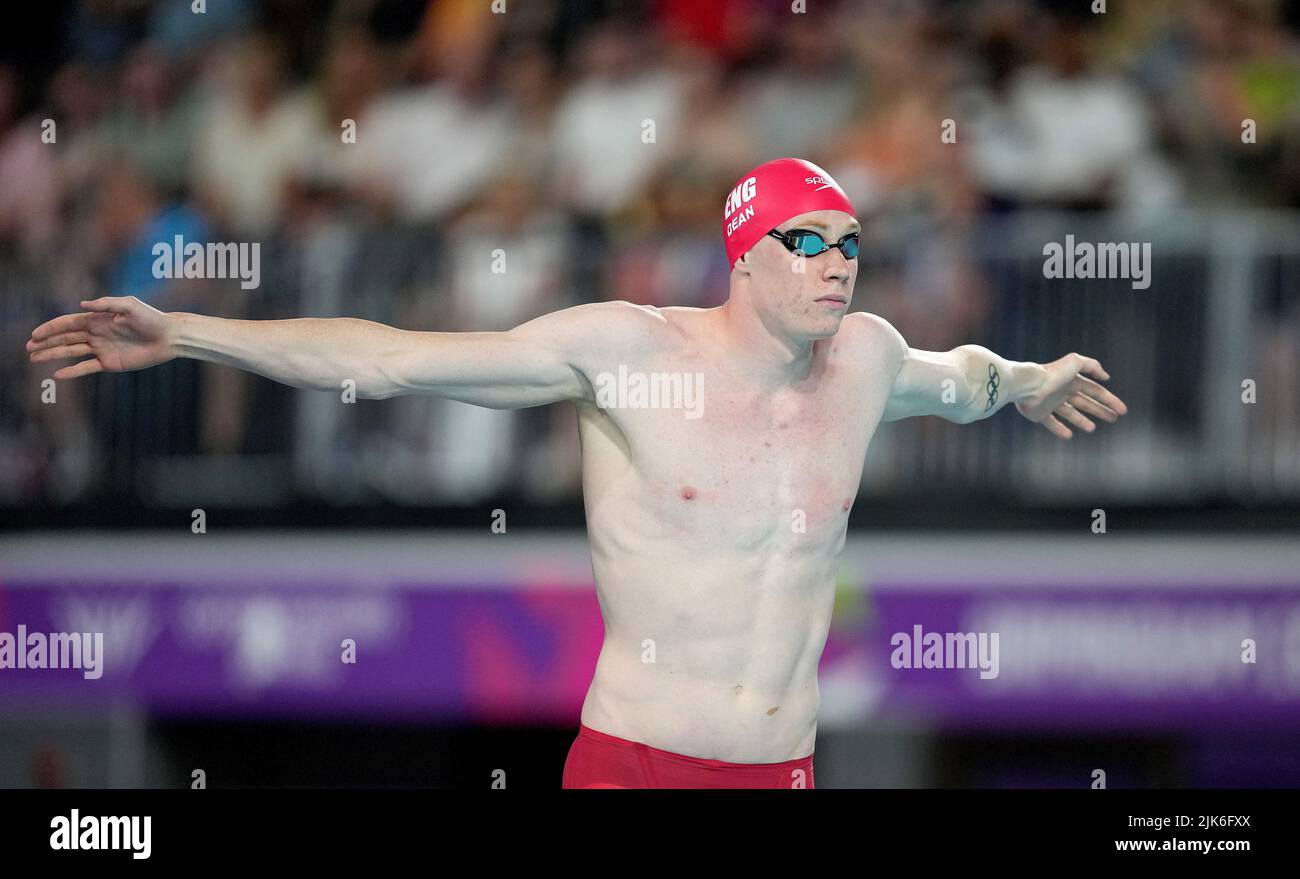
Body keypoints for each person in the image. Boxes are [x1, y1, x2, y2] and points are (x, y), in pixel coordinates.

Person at [26, 157, 1127, 788]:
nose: (837, 262)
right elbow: (393, 363)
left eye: (848, 241)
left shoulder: (870, 361)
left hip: (781, 772)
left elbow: (964, 374)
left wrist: (1029, 378)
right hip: (634, 766)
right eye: (809, 241)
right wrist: (189, 333)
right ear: (744, 255)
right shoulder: (628, 351)